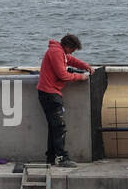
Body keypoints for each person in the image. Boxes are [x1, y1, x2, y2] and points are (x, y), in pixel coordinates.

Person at [37, 33, 92, 167]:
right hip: (50, 94)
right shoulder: (56, 52)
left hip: (48, 93)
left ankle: (50, 157)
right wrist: (81, 77)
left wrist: (85, 66)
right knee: (59, 127)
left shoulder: (59, 52)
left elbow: (70, 59)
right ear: (68, 46)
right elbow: (63, 75)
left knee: (53, 127)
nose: (73, 52)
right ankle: (62, 158)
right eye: (73, 49)